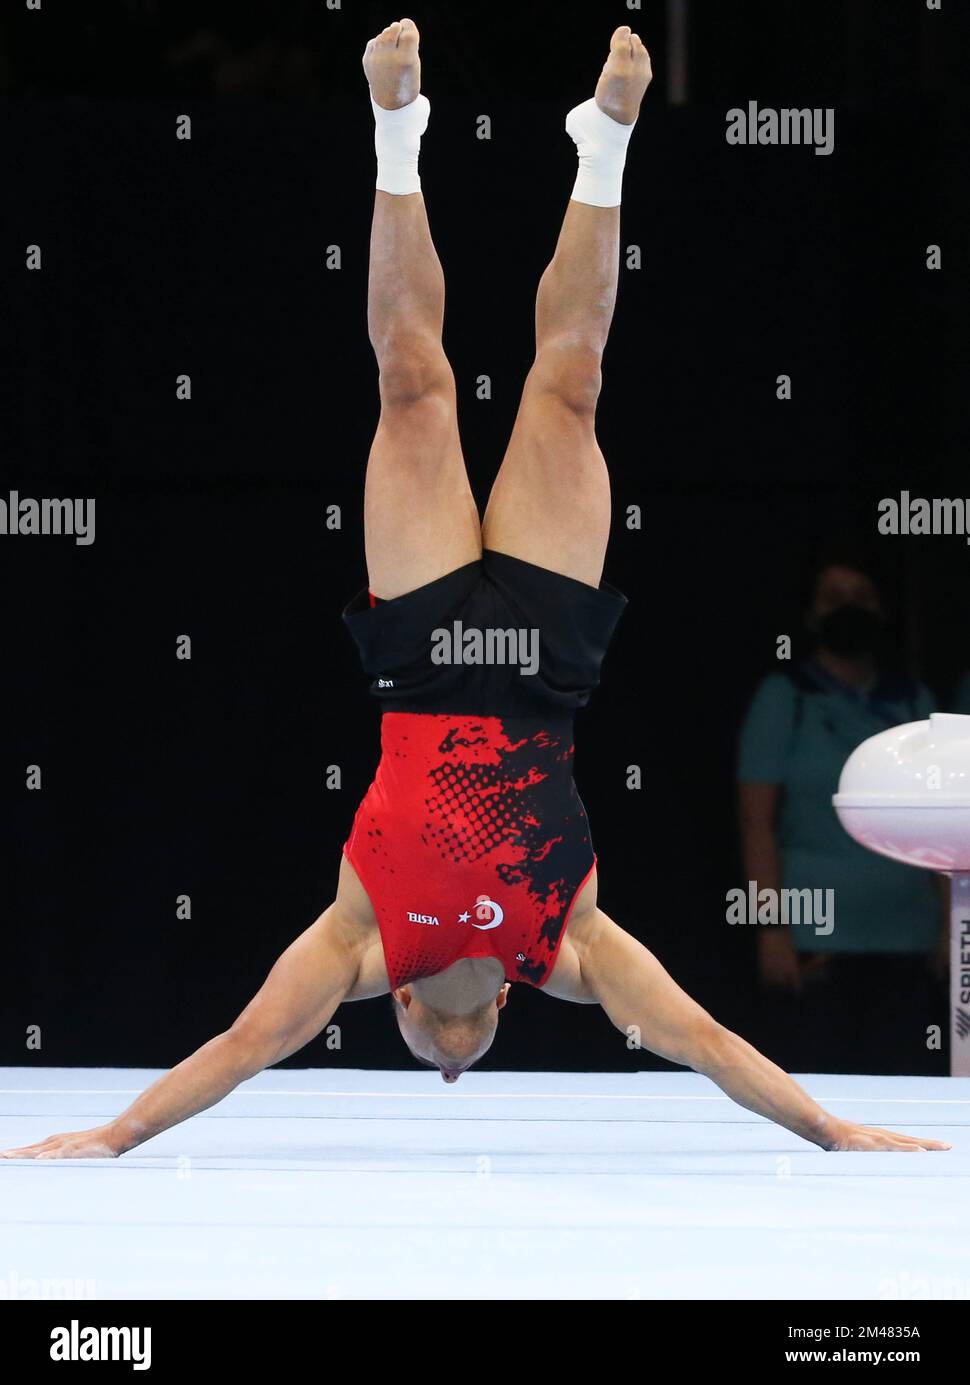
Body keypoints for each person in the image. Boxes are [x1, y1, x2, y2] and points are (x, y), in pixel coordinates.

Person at [2, 22, 948, 1162]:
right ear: (506, 1001)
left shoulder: (360, 940)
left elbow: (245, 1043)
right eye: (470, 1034)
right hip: (547, 663)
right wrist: (831, 1129)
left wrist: (115, 1133)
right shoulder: (570, 943)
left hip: (420, 654)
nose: (451, 1036)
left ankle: (395, 129)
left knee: (413, 386)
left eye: (431, 1037)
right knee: (569, 385)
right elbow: (700, 1036)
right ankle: (602, 147)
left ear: (397, 1004)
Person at [738, 549, 948, 1073]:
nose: (848, 609)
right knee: (820, 1085)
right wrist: (771, 929)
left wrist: (953, 927)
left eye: (861, 599)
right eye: (834, 599)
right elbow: (756, 823)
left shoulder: (913, 702)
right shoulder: (786, 696)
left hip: (909, 937)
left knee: (908, 1087)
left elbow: (947, 822)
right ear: (811, 614)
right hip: (815, 941)